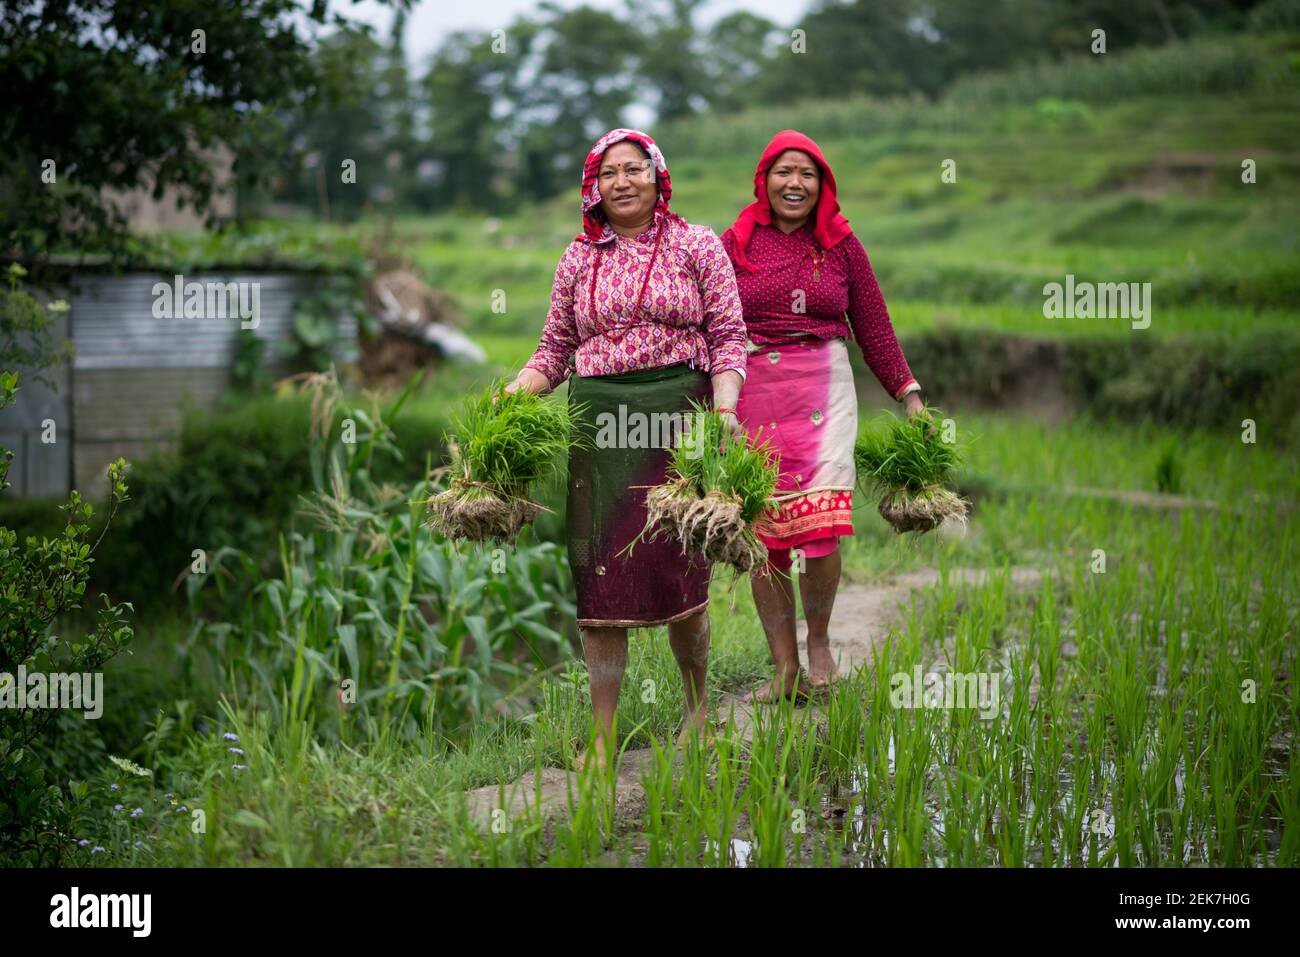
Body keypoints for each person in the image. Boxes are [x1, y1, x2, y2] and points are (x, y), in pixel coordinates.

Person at [505, 128, 747, 769]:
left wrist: (725, 409)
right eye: (607, 172)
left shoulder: (696, 245)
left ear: (656, 175)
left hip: (677, 421)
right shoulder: (578, 259)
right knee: (601, 578)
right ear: (594, 187)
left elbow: (727, 335)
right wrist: (517, 393)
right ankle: (604, 739)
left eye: (633, 168)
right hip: (598, 424)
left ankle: (699, 711)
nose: (621, 181)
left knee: (677, 566)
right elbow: (554, 349)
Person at [721, 129, 926, 702]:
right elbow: (711, 325)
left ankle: (819, 642)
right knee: (763, 532)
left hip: (822, 390)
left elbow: (874, 325)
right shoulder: (734, 243)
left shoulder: (840, 245)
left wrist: (907, 392)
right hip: (751, 390)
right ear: (764, 180)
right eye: (784, 172)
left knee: (821, 525)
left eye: (807, 174)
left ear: (823, 185)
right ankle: (783, 666)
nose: (796, 183)